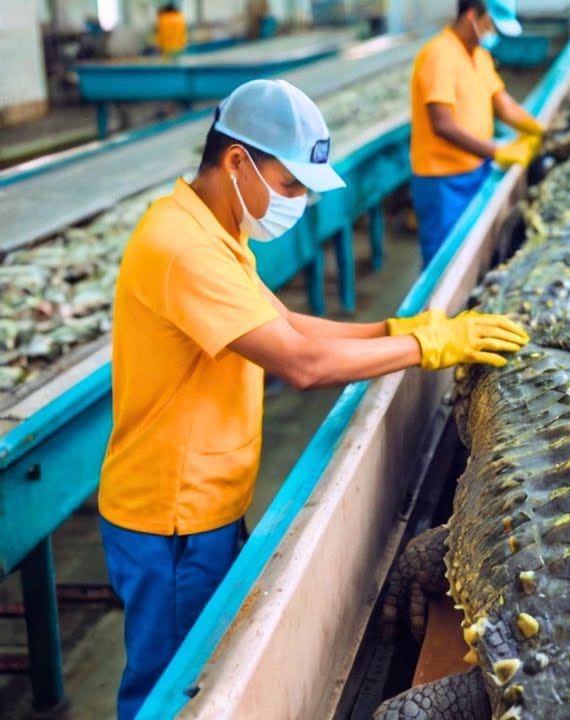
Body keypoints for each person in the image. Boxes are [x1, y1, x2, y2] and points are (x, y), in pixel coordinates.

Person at [97, 78, 528, 720]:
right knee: (165, 693)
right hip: (172, 517)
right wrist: (427, 349)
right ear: (238, 161)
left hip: (204, 498)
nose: (295, 201)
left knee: (190, 667)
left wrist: (394, 330)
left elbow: (289, 325)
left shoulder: (211, 228)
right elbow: (302, 364)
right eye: (291, 184)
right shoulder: (182, 247)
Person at [409, 0, 544, 269]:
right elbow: (442, 124)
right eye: (490, 24)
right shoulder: (439, 55)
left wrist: (537, 128)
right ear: (472, 15)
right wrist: (498, 151)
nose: (492, 32)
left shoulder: (479, 57)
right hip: (442, 182)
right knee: (444, 263)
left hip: (475, 169)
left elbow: (503, 104)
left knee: (470, 254)